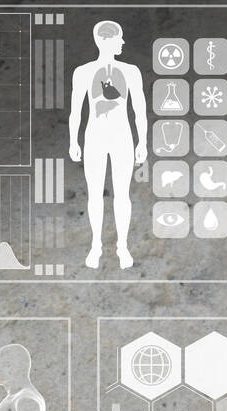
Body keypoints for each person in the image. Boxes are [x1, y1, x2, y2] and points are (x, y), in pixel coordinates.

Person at [68, 20, 148, 269]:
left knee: (122, 194)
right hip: (95, 136)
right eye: (118, 38)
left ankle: (122, 247)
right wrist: (74, 140)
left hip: (122, 136)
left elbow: (139, 110)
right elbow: (76, 112)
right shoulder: (83, 72)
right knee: (95, 194)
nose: (123, 42)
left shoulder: (131, 72)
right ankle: (96, 246)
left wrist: (142, 141)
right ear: (104, 40)